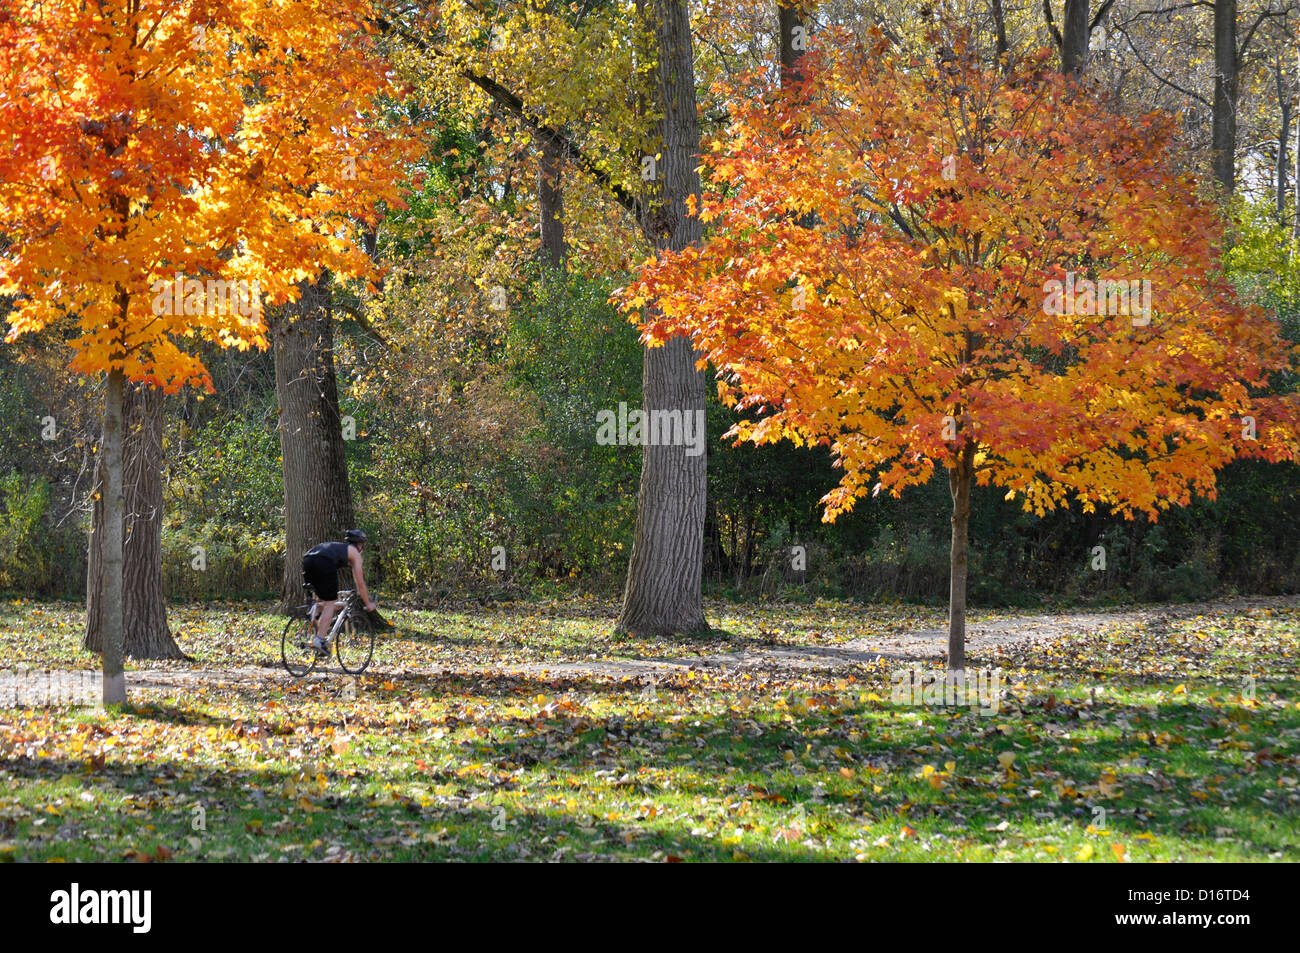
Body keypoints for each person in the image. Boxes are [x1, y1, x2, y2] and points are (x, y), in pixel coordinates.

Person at [301, 529, 377, 656]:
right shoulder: (355, 553)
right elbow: (360, 583)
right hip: (323, 562)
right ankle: (319, 640)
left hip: (308, 559)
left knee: (322, 602)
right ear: (359, 545)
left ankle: (313, 627)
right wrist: (368, 603)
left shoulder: (340, 548)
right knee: (330, 603)